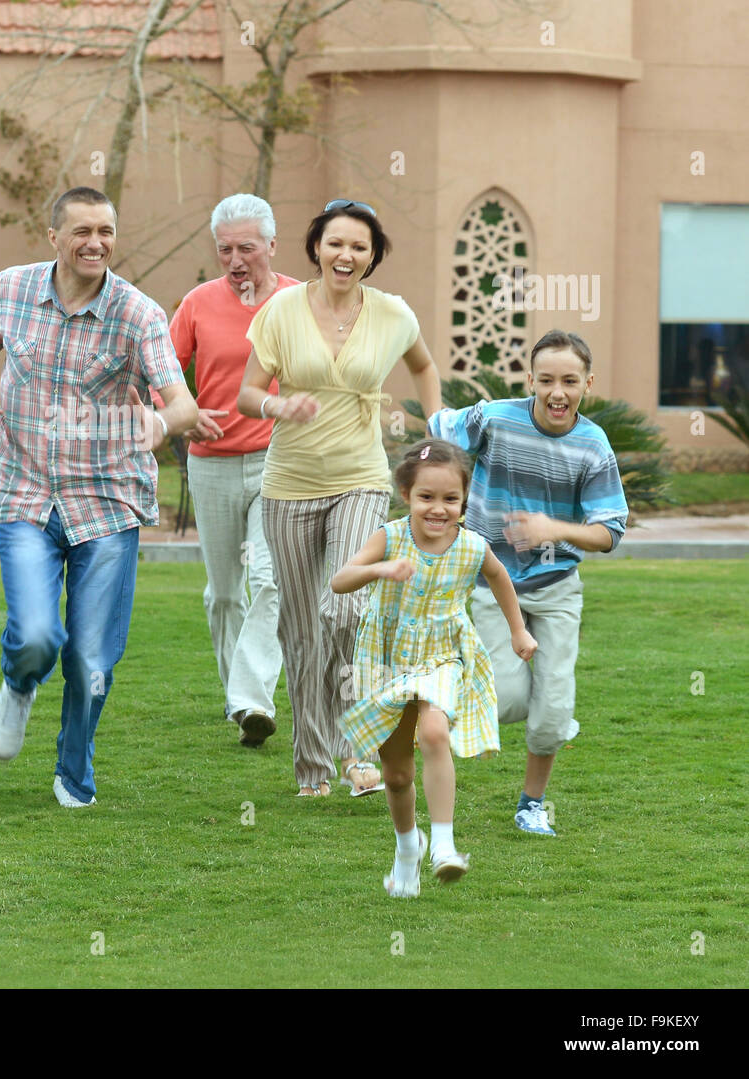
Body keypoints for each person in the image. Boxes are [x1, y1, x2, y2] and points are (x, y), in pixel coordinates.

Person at [0, 186, 197, 808]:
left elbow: (183, 404)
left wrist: (159, 423)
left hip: (107, 501)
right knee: (37, 633)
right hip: (26, 491)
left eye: (106, 231)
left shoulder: (137, 313)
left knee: (92, 658)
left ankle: (73, 772)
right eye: (83, 231)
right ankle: (19, 682)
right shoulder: (11, 288)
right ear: (54, 236)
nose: (96, 243)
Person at [237, 199, 443, 797]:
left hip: (361, 479)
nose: (346, 255)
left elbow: (425, 367)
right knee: (302, 632)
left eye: (359, 246)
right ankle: (312, 768)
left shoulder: (392, 313)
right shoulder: (280, 310)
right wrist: (278, 404)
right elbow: (247, 394)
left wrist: (437, 428)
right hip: (289, 486)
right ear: (317, 249)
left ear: (372, 256)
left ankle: (358, 750)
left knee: (347, 610)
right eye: (335, 243)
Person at [428, 330, 627, 836]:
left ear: (588, 384)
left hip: (557, 586)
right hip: (494, 584)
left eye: (570, 381)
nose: (557, 392)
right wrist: (438, 503)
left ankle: (531, 804)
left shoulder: (593, 445)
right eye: (546, 380)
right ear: (530, 380)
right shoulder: (495, 419)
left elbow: (610, 532)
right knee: (509, 701)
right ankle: (514, 701)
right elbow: (438, 431)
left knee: (551, 716)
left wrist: (553, 528)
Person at [333, 440, 537, 897]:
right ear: (407, 494)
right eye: (427, 497)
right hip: (385, 659)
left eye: (451, 499)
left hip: (442, 656)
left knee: (434, 732)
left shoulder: (471, 546)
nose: (438, 509)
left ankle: (444, 846)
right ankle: (408, 847)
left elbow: (499, 577)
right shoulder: (390, 537)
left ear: (464, 502)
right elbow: (340, 580)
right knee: (397, 776)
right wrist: (380, 570)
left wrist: (518, 631)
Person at [168, 194, 298, 746]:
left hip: (280, 460)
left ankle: (252, 700)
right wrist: (184, 414)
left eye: (247, 247)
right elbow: (160, 372)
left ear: (272, 245)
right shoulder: (198, 303)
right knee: (224, 594)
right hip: (212, 465)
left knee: (269, 580)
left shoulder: (301, 302)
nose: (236, 260)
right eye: (225, 250)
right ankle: (237, 699)